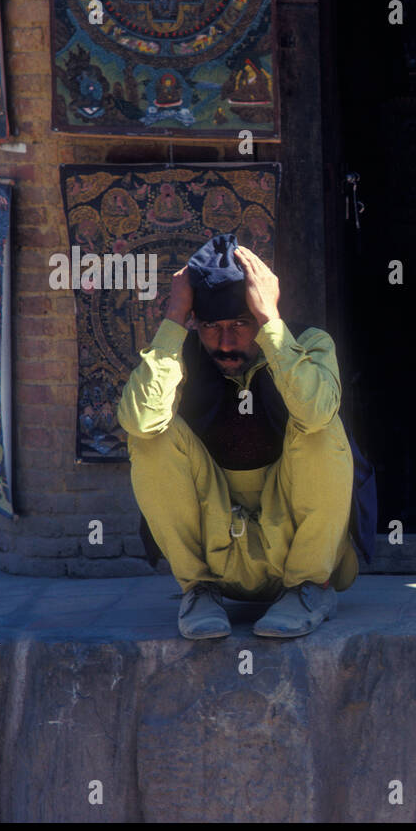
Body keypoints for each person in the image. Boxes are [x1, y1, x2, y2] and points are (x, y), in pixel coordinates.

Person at [117, 234, 359, 640]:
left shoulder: (309, 343)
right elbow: (140, 421)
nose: (225, 343)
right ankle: (198, 590)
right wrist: (175, 319)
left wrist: (270, 324)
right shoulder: (182, 353)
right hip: (218, 553)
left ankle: (308, 590)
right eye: (211, 326)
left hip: (294, 552)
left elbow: (316, 410)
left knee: (320, 424)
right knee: (149, 434)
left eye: (239, 325)